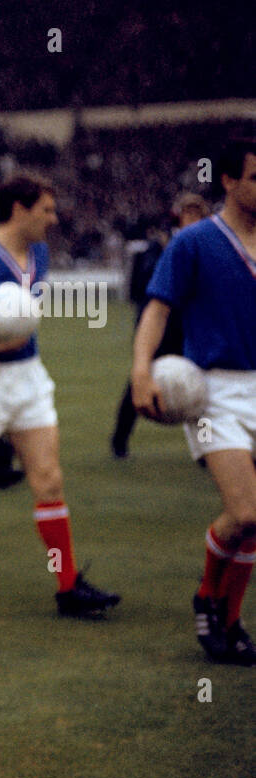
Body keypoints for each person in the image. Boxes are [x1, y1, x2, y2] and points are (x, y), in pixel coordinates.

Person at [0, 173, 120, 617]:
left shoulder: (40, 253)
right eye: (46, 210)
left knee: (49, 481)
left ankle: (67, 584)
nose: (53, 219)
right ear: (19, 208)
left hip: (27, 377)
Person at [132, 138, 256, 666]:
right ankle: (208, 594)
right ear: (228, 181)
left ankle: (231, 619)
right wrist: (141, 371)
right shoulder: (195, 242)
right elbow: (157, 311)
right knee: (245, 511)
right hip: (214, 393)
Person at [110, 193, 210, 458]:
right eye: (187, 214)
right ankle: (119, 441)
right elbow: (146, 282)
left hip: (190, 326)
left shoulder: (207, 246)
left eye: (196, 214)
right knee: (139, 380)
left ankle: (205, 446)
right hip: (159, 325)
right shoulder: (162, 245)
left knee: (199, 386)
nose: (191, 219)